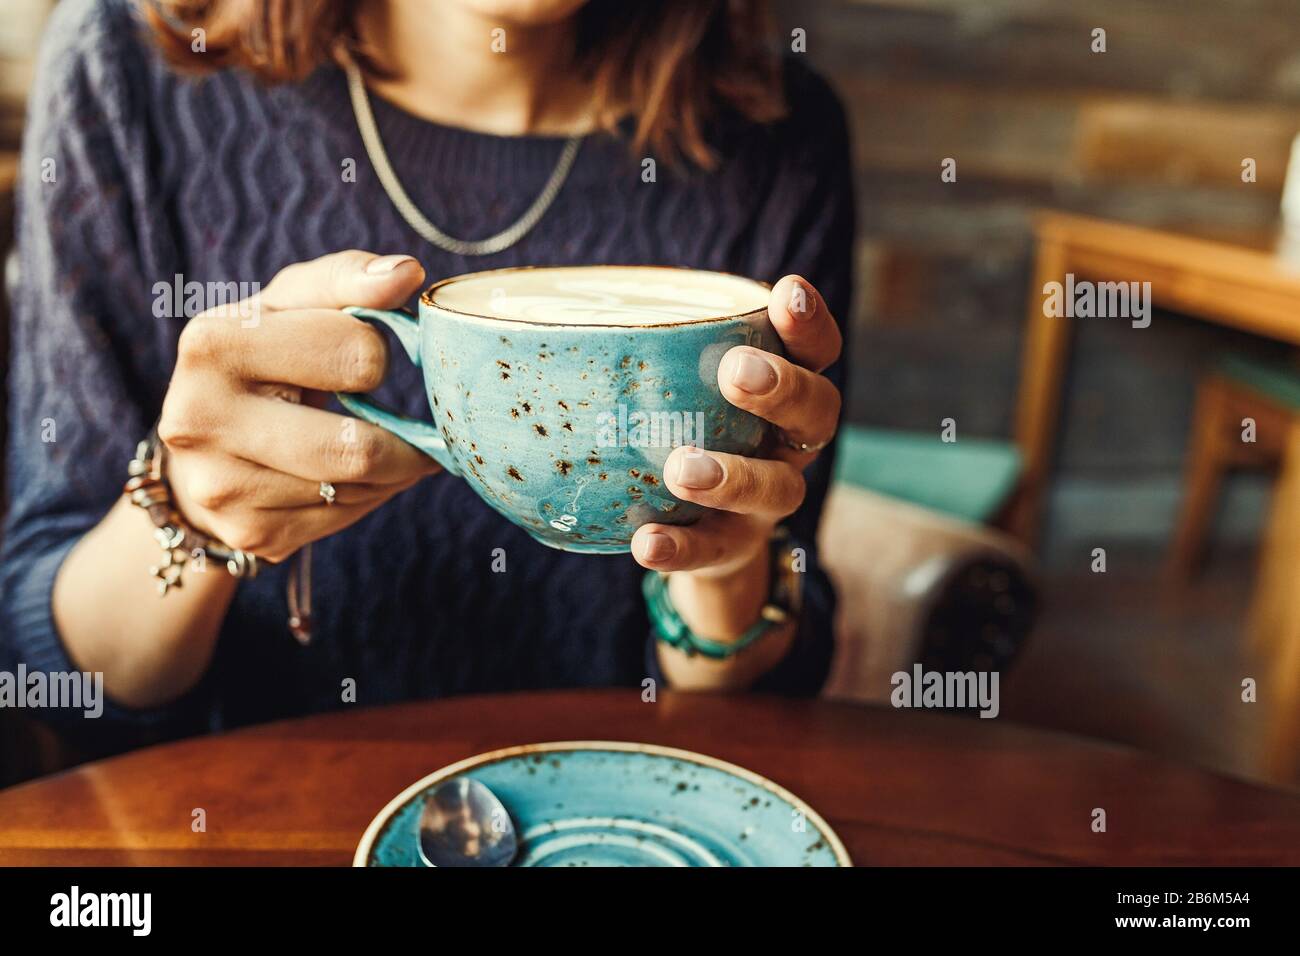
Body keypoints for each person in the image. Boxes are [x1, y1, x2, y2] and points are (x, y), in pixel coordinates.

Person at [0, 0, 853, 750]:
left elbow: (756, 705)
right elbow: (70, 684)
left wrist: (728, 570)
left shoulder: (776, 131)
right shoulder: (135, 64)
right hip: (256, 823)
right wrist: (193, 512)